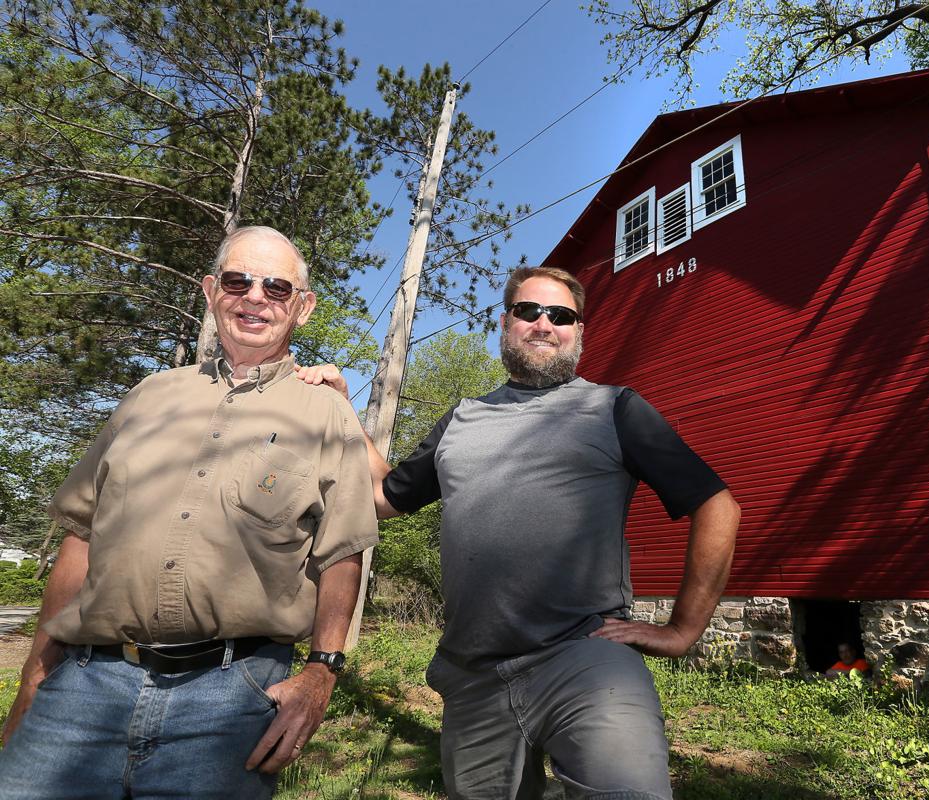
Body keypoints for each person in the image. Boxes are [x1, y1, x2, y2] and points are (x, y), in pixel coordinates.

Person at [298, 266, 740, 799]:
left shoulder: (615, 409)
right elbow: (383, 497)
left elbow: (717, 506)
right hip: (473, 676)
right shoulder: (462, 419)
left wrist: (682, 630)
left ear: (579, 331)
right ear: (505, 322)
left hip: (585, 660)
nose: (544, 324)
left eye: (561, 316)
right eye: (528, 311)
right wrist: (343, 407)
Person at [0, 226, 379, 799]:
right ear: (210, 291)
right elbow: (81, 535)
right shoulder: (147, 395)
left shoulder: (327, 412)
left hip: (233, 698)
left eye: (277, 287)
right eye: (238, 281)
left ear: (302, 308)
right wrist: (34, 672)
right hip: (83, 685)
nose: (255, 297)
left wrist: (321, 673)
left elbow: (343, 551)